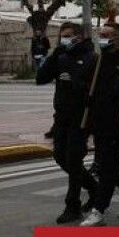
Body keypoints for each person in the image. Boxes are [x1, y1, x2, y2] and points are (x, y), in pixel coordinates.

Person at [37, 22, 98, 224]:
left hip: (81, 117)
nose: (65, 38)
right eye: (62, 35)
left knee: (73, 159)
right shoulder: (61, 57)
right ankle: (94, 187)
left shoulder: (91, 58)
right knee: (60, 157)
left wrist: (75, 83)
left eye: (69, 35)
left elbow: (94, 89)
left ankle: (72, 205)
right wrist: (54, 55)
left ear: (79, 37)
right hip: (61, 117)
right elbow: (41, 78)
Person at [80, 23, 119, 227]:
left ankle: (99, 210)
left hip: (118, 122)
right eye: (101, 34)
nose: (103, 38)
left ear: (118, 38)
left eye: (108, 35)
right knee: (112, 165)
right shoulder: (99, 60)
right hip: (100, 120)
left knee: (107, 166)